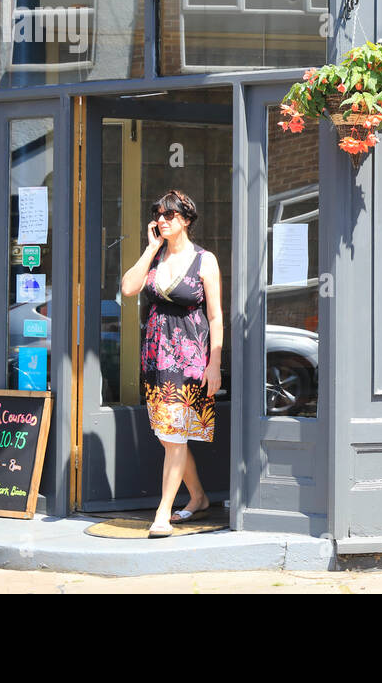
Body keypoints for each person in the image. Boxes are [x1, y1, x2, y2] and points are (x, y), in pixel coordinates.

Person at [120, 189, 223, 538]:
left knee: (175, 437)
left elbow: (215, 314)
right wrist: (150, 249)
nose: (162, 220)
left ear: (187, 220)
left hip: (189, 359)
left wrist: (215, 363)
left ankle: (162, 513)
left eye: (170, 215)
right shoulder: (157, 255)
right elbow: (128, 288)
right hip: (156, 358)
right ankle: (198, 497)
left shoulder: (204, 260)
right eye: (158, 214)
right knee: (169, 437)